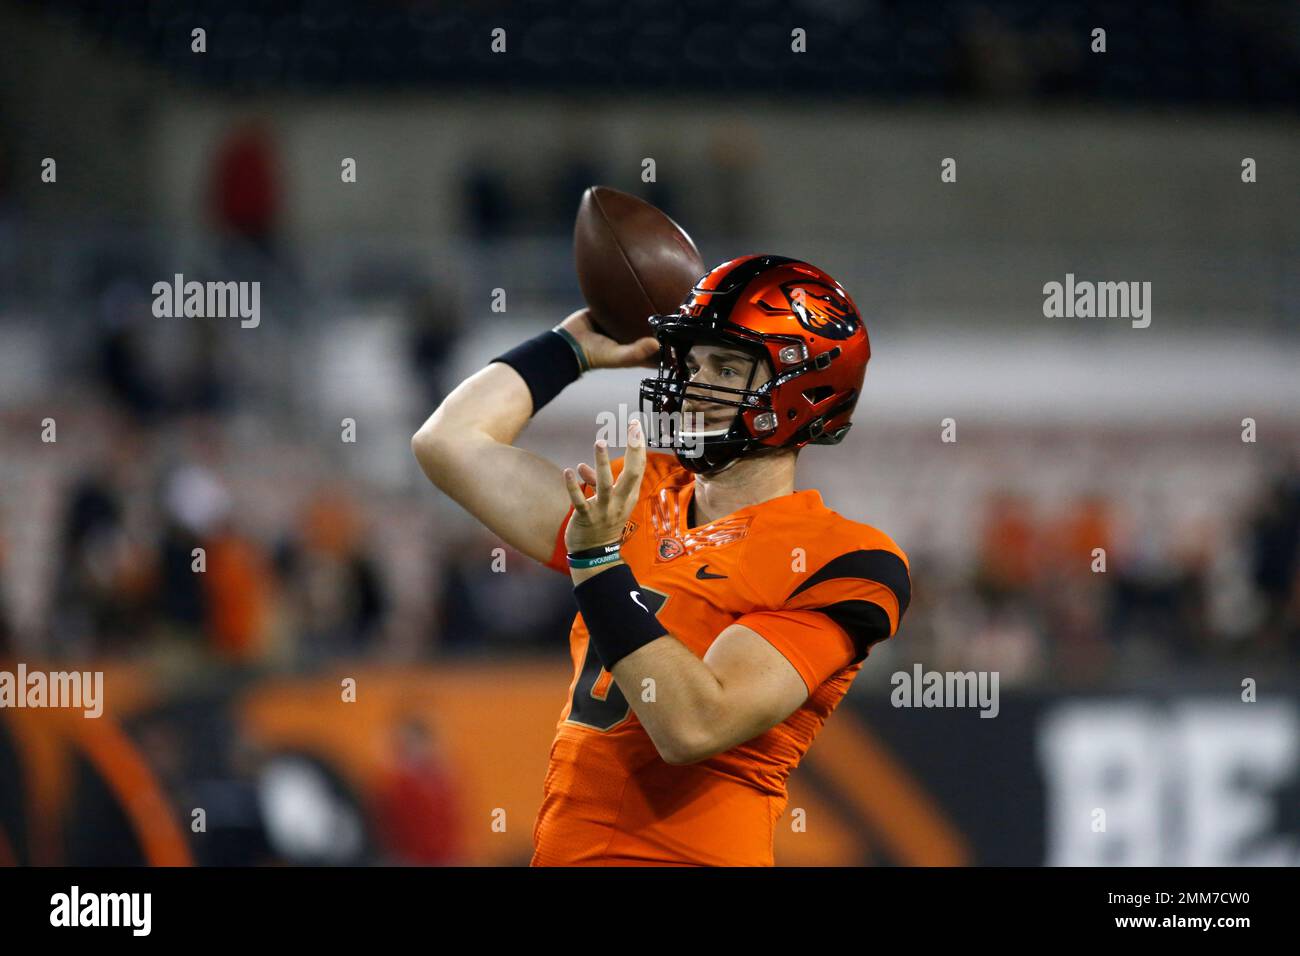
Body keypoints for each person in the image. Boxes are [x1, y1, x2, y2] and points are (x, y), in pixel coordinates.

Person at [412, 255, 910, 866]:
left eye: (725, 368)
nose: (693, 387)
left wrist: (597, 563)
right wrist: (568, 349)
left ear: (803, 391)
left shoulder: (841, 558)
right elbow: (448, 444)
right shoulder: (643, 494)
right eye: (692, 362)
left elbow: (695, 724)